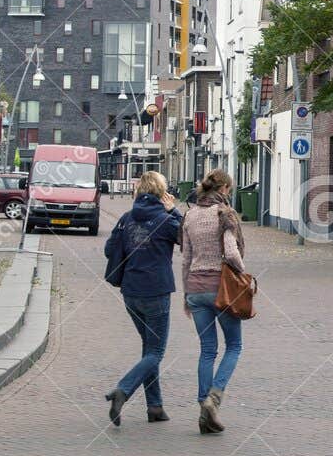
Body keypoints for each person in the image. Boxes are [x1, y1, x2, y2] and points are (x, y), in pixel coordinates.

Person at [102, 171, 183, 426]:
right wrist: (174, 211)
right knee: (156, 352)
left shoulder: (126, 219)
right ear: (162, 193)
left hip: (130, 292)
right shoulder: (166, 219)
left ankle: (155, 407)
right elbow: (186, 239)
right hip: (156, 291)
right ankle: (123, 391)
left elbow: (108, 250)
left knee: (149, 349)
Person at [180, 169, 248, 435]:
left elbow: (185, 259)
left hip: (196, 289)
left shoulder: (189, 215)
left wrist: (187, 294)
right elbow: (231, 252)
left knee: (207, 350)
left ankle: (203, 409)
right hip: (222, 290)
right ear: (225, 189)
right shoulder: (225, 214)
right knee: (234, 345)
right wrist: (243, 275)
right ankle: (214, 398)